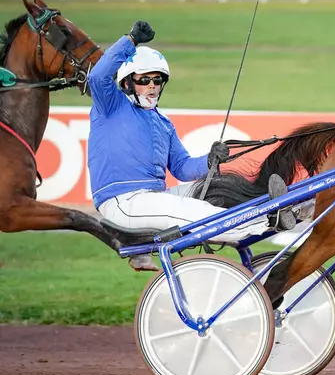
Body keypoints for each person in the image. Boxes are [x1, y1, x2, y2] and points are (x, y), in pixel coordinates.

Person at [87, 20, 296, 271]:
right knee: (194, 211)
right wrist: (130, 40)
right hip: (122, 203)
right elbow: (97, 76)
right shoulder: (111, 105)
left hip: (153, 197)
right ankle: (266, 223)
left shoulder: (163, 123)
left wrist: (210, 160)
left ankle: (273, 209)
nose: (152, 85)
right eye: (144, 79)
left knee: (220, 189)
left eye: (157, 80)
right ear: (127, 83)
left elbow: (183, 168)